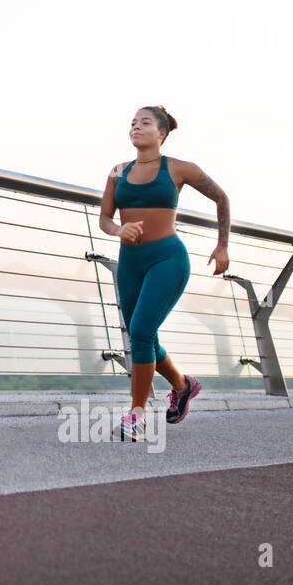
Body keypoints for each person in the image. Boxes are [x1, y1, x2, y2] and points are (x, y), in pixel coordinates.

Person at [98, 105, 231, 441]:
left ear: (162, 133)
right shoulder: (117, 171)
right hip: (130, 264)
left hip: (167, 260)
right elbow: (105, 218)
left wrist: (222, 245)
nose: (136, 128)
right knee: (144, 336)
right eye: (132, 123)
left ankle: (136, 415)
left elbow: (221, 197)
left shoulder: (180, 169)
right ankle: (184, 386)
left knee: (141, 330)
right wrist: (118, 232)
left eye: (144, 123)